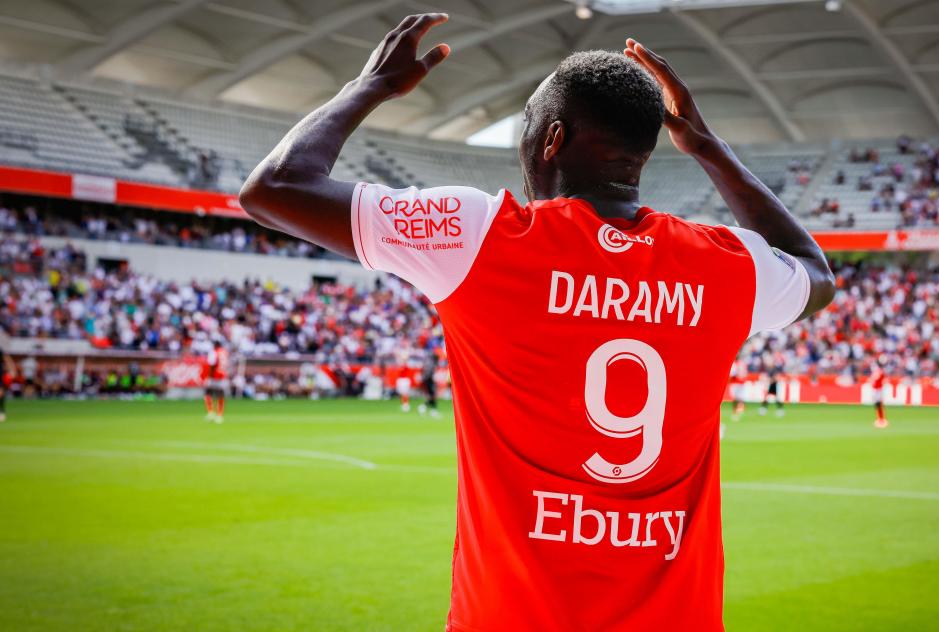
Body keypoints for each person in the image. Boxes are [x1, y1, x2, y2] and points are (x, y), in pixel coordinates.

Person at [240, 13, 834, 630]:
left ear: (550, 139)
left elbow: (275, 188)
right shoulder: (722, 264)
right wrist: (709, 147)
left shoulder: (481, 238)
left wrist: (370, 87)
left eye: (525, 127)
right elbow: (815, 272)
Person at [203, 340, 229, 424]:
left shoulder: (214, 352)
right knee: (220, 396)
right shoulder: (224, 352)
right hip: (223, 376)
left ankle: (211, 413)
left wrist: (208, 376)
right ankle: (220, 415)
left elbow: (211, 364)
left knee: (208, 394)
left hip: (214, 376)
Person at [870, 364, 888, 428]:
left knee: (879, 404)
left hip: (878, 390)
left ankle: (882, 419)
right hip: (875, 390)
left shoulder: (880, 372)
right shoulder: (877, 373)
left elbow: (883, 380)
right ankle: (879, 419)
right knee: (877, 405)